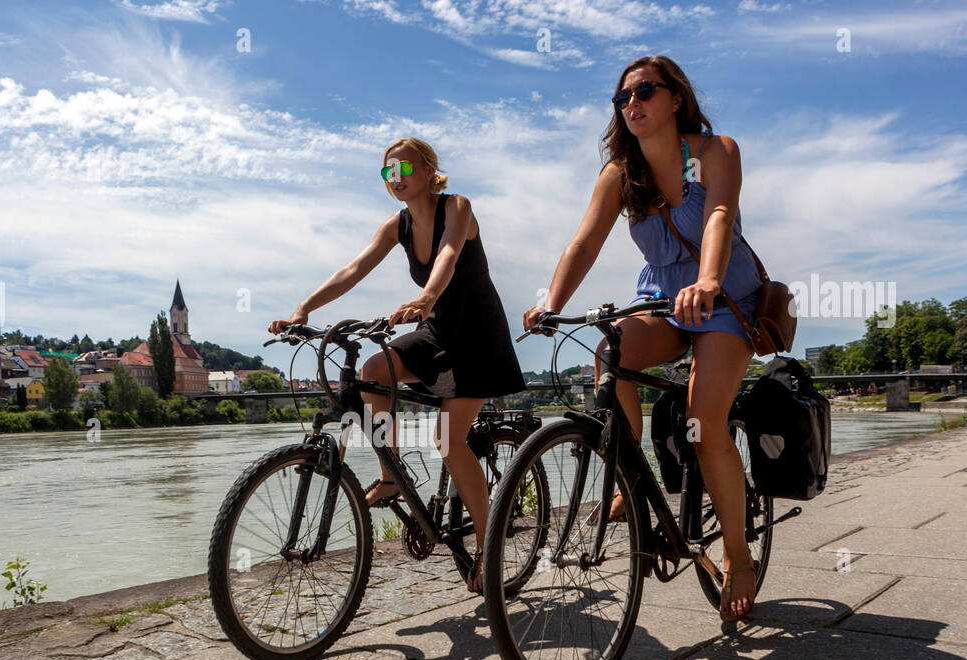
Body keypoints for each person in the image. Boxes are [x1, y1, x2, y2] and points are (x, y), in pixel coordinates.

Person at [523, 55, 764, 622]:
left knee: (705, 425)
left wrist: (707, 278)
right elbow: (583, 245)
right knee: (612, 350)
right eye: (622, 98)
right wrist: (550, 304)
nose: (632, 103)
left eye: (645, 92)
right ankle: (633, 481)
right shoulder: (619, 173)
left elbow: (719, 216)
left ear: (675, 97)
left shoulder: (713, 152)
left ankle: (737, 555)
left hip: (724, 296)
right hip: (661, 298)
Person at [269, 137, 525, 593]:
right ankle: (392, 476)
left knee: (449, 438)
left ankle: (489, 550)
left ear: (430, 170)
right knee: (373, 371)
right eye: (389, 172)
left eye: (406, 168)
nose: (397, 178)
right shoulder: (398, 225)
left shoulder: (458, 206)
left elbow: (448, 255)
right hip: (438, 328)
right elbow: (354, 268)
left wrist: (426, 296)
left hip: (478, 335)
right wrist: (302, 309)